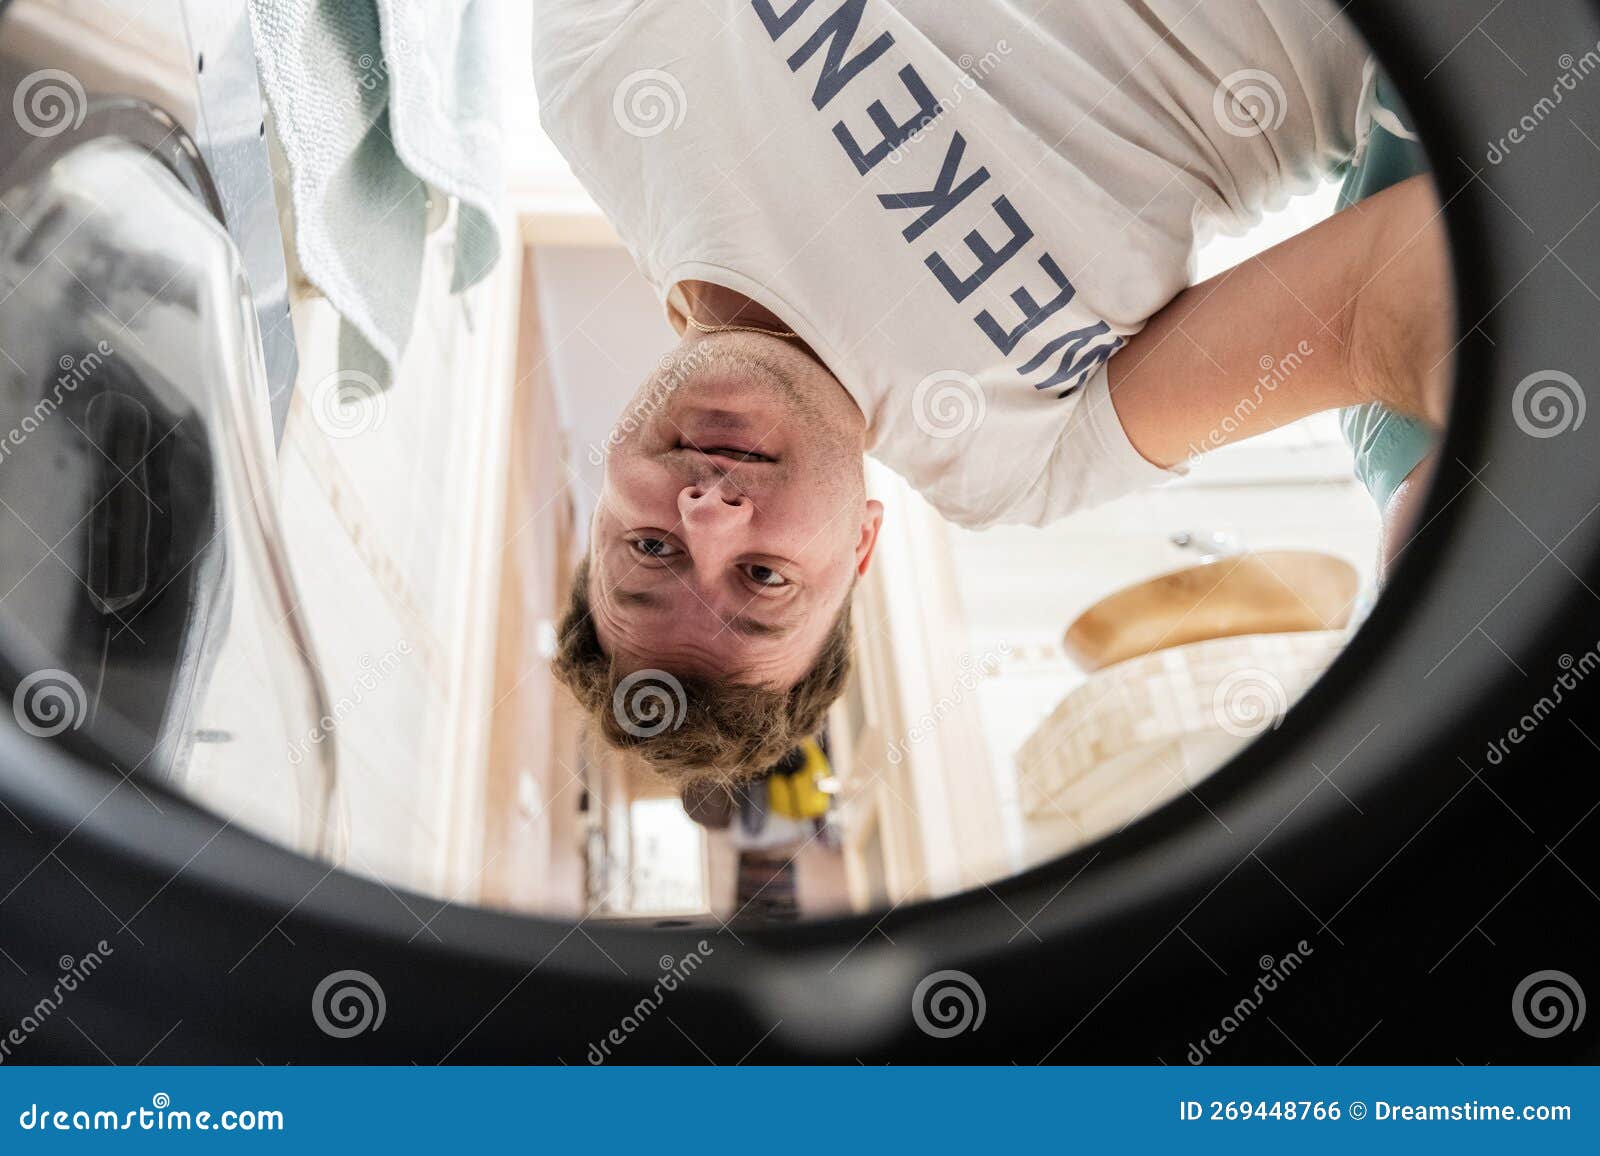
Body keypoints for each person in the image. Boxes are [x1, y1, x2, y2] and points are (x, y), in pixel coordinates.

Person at [537, 0, 1452, 786]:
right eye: (763, 579)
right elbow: (1375, 305)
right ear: (860, 545)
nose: (708, 514)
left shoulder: (601, 86)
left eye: (650, 546)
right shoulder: (1017, 467)